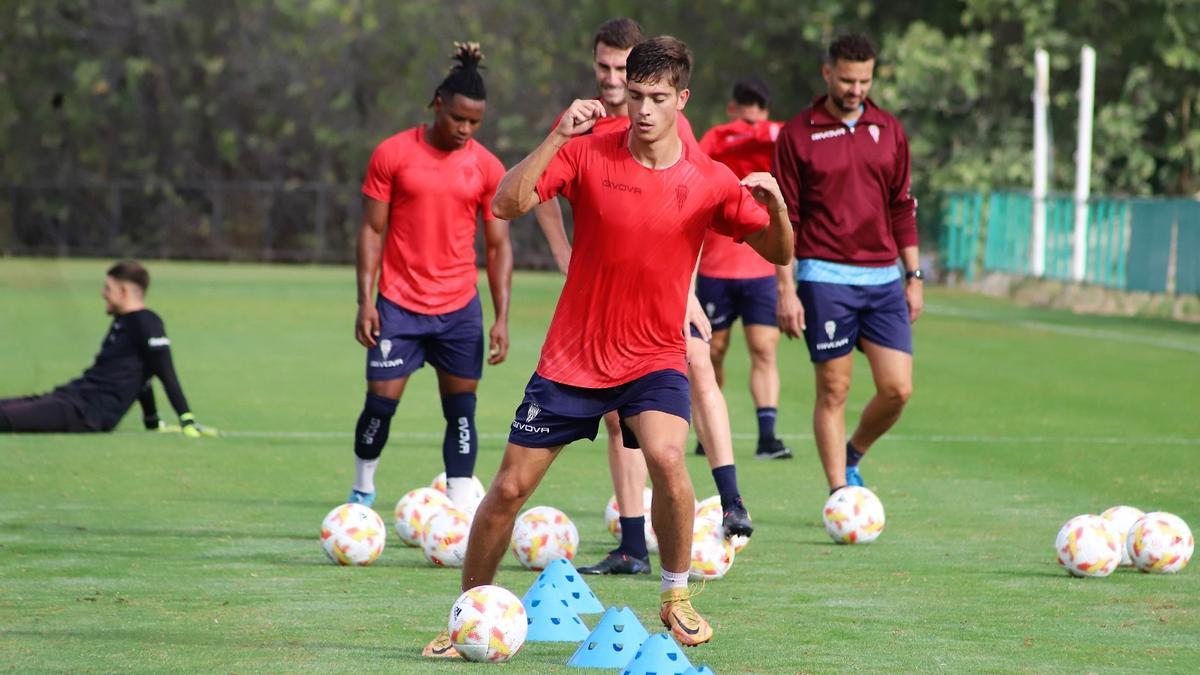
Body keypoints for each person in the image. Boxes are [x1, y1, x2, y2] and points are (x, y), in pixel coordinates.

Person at [423, 36, 793, 657]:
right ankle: (465, 618)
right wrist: (557, 138)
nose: (643, 109)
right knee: (508, 490)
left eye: (657, 98)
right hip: (573, 357)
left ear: (682, 99)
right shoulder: (588, 150)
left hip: (653, 357)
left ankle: (675, 595)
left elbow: (778, 251)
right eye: (637, 95)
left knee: (668, 458)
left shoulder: (709, 179)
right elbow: (504, 202)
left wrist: (777, 207)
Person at [534, 18, 754, 578]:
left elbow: (690, 204)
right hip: (603, 294)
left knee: (698, 363)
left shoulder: (666, 123)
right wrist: (562, 251)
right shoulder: (583, 123)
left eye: (621, 68)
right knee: (615, 419)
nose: (612, 79)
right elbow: (540, 188)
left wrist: (688, 292)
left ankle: (731, 499)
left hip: (664, 294)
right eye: (604, 68)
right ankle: (633, 543)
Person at [348, 42, 512, 511]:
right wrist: (365, 300)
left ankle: (460, 509)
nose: (465, 129)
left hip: (459, 309)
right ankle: (361, 493)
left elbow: (498, 246)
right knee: (380, 405)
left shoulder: (487, 166)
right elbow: (371, 230)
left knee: (461, 412)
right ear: (438, 104)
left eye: (475, 122)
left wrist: (501, 317)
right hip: (398, 306)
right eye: (458, 118)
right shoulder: (393, 154)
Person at [772, 33, 921, 493]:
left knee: (898, 389)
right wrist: (786, 289)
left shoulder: (889, 129)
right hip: (825, 277)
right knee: (834, 390)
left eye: (864, 81)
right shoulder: (798, 134)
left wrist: (914, 276)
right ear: (828, 73)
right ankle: (839, 493)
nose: (856, 89)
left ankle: (852, 452)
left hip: (884, 278)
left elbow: (902, 206)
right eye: (847, 80)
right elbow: (784, 220)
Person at [695, 76, 794, 460]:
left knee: (764, 349)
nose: (753, 123)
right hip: (716, 266)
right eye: (745, 115)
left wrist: (787, 287)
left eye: (760, 114)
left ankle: (767, 437)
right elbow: (697, 161)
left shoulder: (777, 141)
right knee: (713, 351)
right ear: (731, 110)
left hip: (762, 267)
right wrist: (743, 132)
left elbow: (794, 138)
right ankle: (708, 429)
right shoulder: (717, 138)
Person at [0, 260, 208, 435]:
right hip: (72, 396)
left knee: (6, 417)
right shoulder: (124, 321)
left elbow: (165, 371)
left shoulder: (147, 322)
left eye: (108, 288)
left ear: (124, 291)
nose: (103, 293)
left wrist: (186, 420)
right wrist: (151, 419)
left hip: (87, 411)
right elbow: (144, 373)